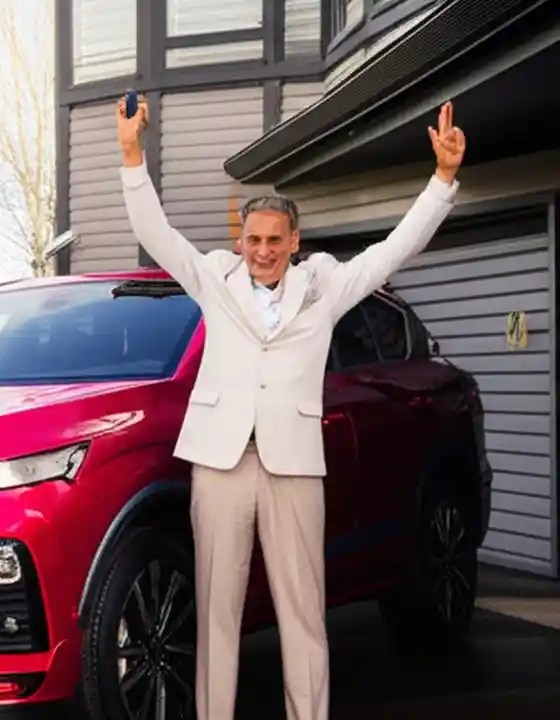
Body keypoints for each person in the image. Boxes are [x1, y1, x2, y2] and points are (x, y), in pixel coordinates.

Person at [114, 96, 466, 720]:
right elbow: (154, 232)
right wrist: (131, 154)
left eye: (276, 239)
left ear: (294, 241)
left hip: (294, 466)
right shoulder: (213, 278)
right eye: (253, 239)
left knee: (304, 612)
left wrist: (441, 181)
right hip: (220, 465)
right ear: (240, 240)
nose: (263, 250)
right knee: (217, 613)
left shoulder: (323, 287)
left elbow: (392, 252)